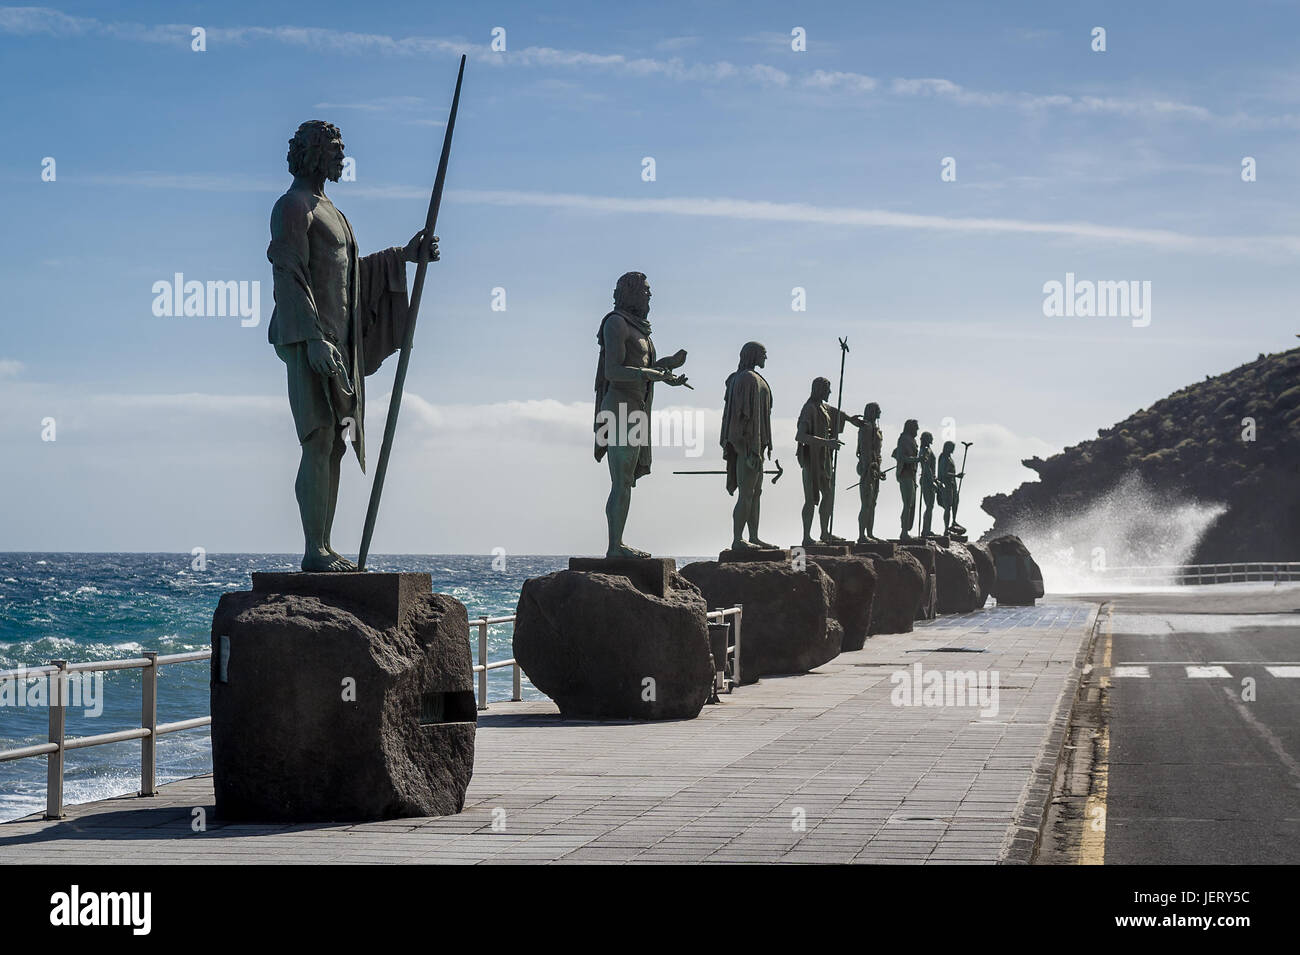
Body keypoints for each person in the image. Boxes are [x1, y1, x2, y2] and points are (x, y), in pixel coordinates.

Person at [267, 120, 436, 572]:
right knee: (318, 436)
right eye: (337, 150)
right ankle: (312, 550)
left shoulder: (333, 211)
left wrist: (403, 256)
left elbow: (349, 274)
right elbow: (288, 272)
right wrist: (313, 338)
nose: (343, 159)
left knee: (338, 442)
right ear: (315, 153)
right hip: (309, 340)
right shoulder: (293, 206)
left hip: (340, 344)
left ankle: (323, 545)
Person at [593, 272, 688, 558]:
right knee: (620, 479)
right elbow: (613, 371)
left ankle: (618, 544)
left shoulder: (641, 330)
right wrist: (649, 374)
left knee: (626, 480)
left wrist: (666, 367)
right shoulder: (616, 323)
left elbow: (642, 369)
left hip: (637, 408)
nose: (649, 295)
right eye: (645, 290)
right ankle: (615, 547)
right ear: (630, 291)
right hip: (619, 406)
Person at [796, 377, 863, 546]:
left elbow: (837, 413)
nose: (830, 393)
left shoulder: (823, 408)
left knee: (828, 495)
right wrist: (827, 442)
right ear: (819, 389)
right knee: (810, 499)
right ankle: (806, 537)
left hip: (824, 460)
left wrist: (850, 420)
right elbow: (800, 436)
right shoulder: (809, 408)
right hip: (811, 459)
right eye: (827, 389)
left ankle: (825, 533)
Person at [721, 342, 774, 550]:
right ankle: (737, 540)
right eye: (764, 353)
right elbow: (737, 419)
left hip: (757, 447)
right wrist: (745, 449)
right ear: (753, 355)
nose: (766, 358)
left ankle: (753, 536)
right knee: (746, 492)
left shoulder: (756, 379)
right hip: (746, 447)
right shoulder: (745, 379)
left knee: (755, 492)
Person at [855, 401, 884, 542]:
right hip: (867, 471)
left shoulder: (875, 428)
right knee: (866, 503)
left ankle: (870, 533)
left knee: (873, 503)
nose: (880, 413)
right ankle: (862, 535)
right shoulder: (866, 428)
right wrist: (869, 468)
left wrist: (879, 469)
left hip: (875, 471)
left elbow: (877, 452)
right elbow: (865, 450)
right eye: (878, 410)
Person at [891, 419, 920, 540]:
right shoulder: (903, 439)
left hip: (912, 476)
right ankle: (904, 532)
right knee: (907, 504)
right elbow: (903, 457)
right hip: (905, 474)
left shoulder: (912, 440)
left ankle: (906, 531)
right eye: (916, 428)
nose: (917, 430)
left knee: (911, 504)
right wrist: (917, 459)